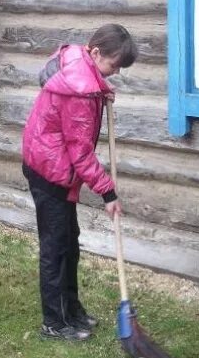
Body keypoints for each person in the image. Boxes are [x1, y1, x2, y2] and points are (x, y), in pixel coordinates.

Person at [22, 23, 138, 341]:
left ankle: (71, 310)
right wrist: (108, 193)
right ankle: (55, 322)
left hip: (45, 157)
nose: (114, 73)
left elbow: (87, 81)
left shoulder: (75, 57)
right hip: (51, 170)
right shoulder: (80, 91)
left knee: (68, 243)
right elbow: (81, 154)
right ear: (96, 52)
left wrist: (101, 89)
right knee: (56, 248)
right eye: (113, 66)